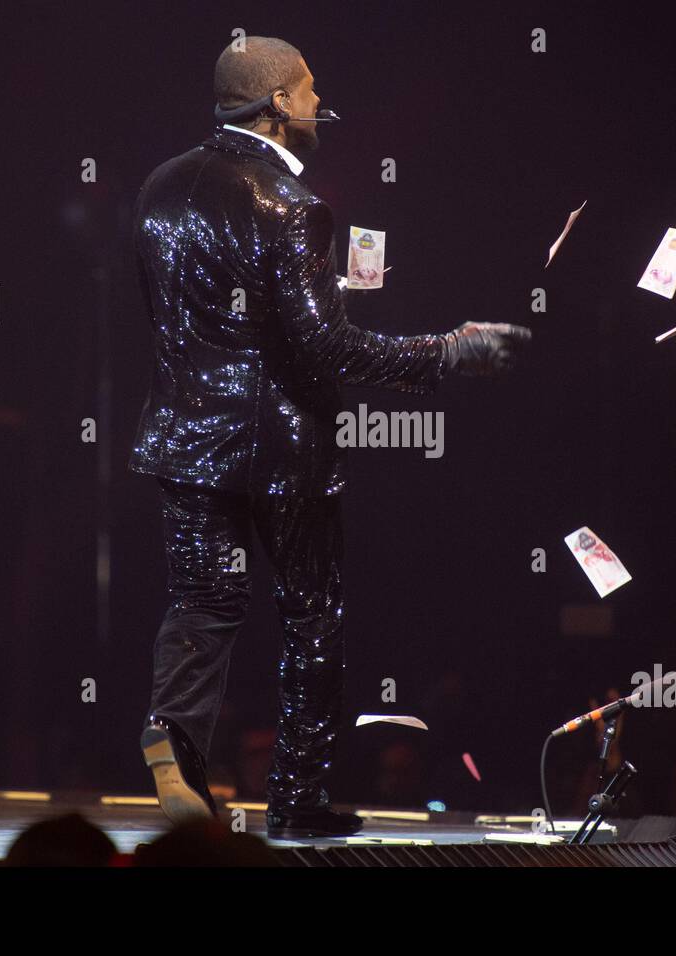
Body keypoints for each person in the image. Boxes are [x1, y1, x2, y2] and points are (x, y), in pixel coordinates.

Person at [129, 36, 531, 838]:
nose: (321, 103)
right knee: (312, 616)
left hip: (184, 437)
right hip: (281, 449)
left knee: (203, 603)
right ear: (278, 102)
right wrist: (447, 353)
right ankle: (298, 802)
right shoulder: (292, 207)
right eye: (309, 90)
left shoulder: (160, 188)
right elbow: (328, 349)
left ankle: (172, 736)